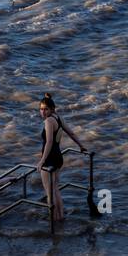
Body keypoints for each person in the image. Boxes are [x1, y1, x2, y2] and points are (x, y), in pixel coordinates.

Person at [36, 93, 88, 221]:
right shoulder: (58, 118)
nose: (43, 112)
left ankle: (54, 219)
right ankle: (61, 216)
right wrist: (81, 145)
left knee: (49, 193)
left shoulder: (48, 121)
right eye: (41, 109)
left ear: (52, 109)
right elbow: (71, 132)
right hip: (58, 158)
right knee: (56, 190)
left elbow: (49, 142)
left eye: (45, 109)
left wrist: (41, 161)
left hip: (49, 159)